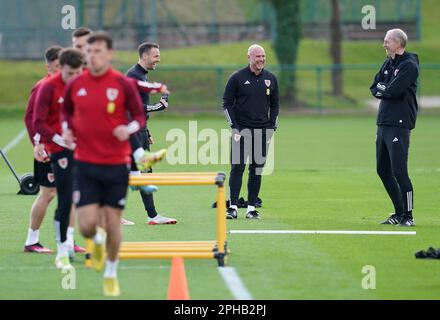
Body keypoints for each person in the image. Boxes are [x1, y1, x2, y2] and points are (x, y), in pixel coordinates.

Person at [61, 32, 162, 296]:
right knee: (86, 224)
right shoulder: (75, 84)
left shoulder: (123, 83)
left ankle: (111, 272)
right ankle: (94, 241)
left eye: (98, 51)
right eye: (89, 52)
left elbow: (138, 117)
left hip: (116, 164)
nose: (92, 56)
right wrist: (68, 130)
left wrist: (127, 128)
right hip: (85, 163)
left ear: (109, 54)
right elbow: (67, 115)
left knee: (113, 222)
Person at [33, 49, 85, 269]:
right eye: (70, 73)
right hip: (61, 150)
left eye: (78, 72)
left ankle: (91, 243)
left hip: (85, 148)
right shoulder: (48, 87)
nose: (74, 77)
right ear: (60, 67)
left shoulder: (85, 84)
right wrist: (59, 140)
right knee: (64, 199)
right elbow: (38, 122)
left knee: (86, 197)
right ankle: (62, 250)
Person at [222, 44, 279, 220]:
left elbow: (275, 105)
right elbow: (226, 104)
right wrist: (235, 127)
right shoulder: (237, 78)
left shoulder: (271, 78)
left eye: (263, 56)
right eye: (258, 56)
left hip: (262, 132)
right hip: (242, 131)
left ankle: (251, 208)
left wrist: (271, 127)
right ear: (249, 57)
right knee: (237, 168)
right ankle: (232, 207)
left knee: (257, 170)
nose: (261, 59)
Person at [370, 29, 419, 227]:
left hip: (400, 124)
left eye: (387, 41)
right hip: (383, 122)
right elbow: (375, 87)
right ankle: (398, 213)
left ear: (398, 43)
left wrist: (385, 88)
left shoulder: (409, 65)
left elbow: (394, 90)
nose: (384, 44)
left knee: (399, 171)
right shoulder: (388, 63)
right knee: (382, 170)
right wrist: (385, 88)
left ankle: (408, 216)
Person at [125, 42, 176, 225]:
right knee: (134, 173)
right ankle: (114, 213)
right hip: (132, 134)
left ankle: (152, 216)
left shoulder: (142, 76)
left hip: (139, 132)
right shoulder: (133, 75)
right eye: (155, 56)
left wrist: (147, 131)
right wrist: (159, 106)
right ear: (145, 56)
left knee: (141, 173)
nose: (158, 59)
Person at [23, 45, 61, 253]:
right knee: (48, 193)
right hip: (48, 149)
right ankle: (31, 240)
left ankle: (67, 241)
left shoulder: (65, 85)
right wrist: (38, 145)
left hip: (64, 149)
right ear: (48, 65)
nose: (60, 69)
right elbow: (31, 118)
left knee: (70, 193)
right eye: (56, 66)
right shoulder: (43, 86)